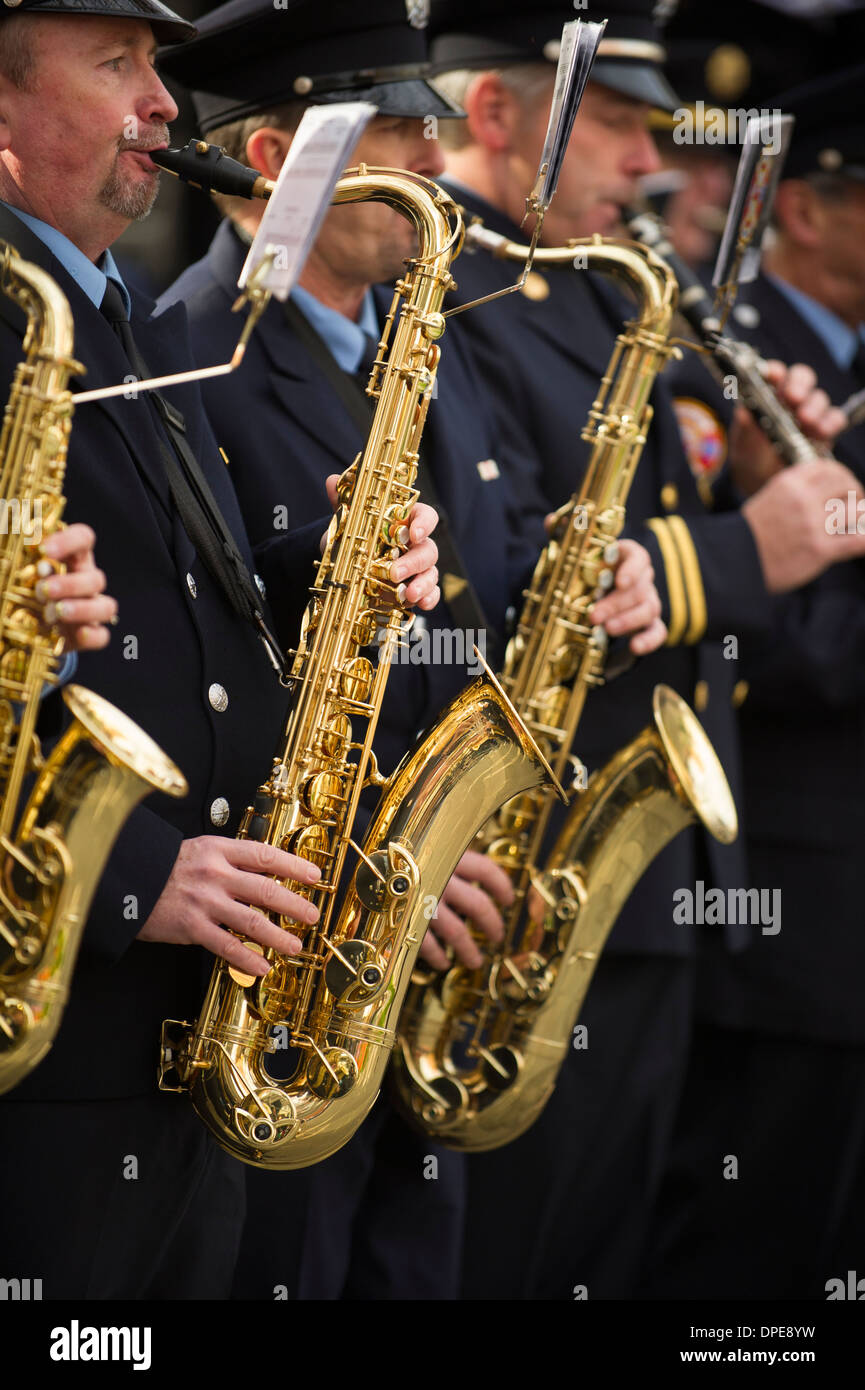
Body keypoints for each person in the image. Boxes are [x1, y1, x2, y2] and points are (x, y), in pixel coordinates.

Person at [156, 0, 669, 1299]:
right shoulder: (184, 359)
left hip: (433, 935)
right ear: (280, 160)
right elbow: (213, 674)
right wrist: (393, 875)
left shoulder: (423, 346)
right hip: (310, 949)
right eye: (401, 133)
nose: (439, 165)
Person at [0, 0, 440, 1300]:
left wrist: (336, 571)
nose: (162, 103)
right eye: (119, 64)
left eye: (158, 66)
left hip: (180, 1043)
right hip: (63, 1033)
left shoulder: (111, 306)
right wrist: (137, 869)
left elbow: (167, 609)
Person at [427, 0, 865, 1300]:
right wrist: (749, 550)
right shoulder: (464, 292)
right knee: (531, 1249)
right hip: (531, 879)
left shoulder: (599, 291)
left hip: (641, 889)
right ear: (496, 116)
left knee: (612, 1257)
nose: (646, 164)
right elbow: (511, 580)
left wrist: (760, 467)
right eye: (614, 124)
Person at [642, 61, 865, 1301]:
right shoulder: (720, 356)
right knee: (737, 1269)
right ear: (810, 205)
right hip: (778, 919)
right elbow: (749, 632)